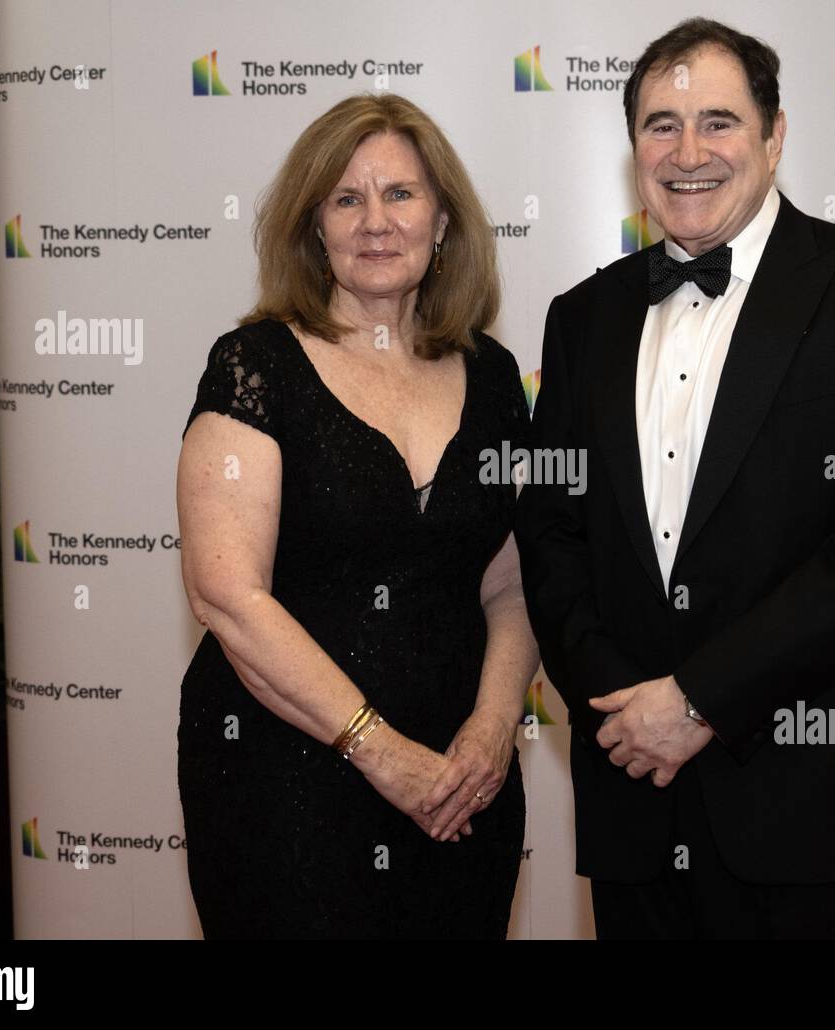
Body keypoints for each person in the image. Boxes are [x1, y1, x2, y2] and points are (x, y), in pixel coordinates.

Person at [514, 18, 835, 939]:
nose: (688, 153)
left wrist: (698, 701)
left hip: (818, 810)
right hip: (636, 795)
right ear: (631, 144)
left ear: (775, 136)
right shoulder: (581, 318)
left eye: (718, 122)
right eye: (659, 125)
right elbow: (553, 537)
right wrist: (628, 714)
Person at [176, 93, 537, 938]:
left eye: (401, 195)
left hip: (460, 783)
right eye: (347, 198)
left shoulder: (494, 378)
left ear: (443, 220)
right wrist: (379, 751)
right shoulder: (255, 367)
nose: (377, 221)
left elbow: (515, 584)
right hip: (287, 777)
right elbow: (229, 594)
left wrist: (488, 735)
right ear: (315, 228)